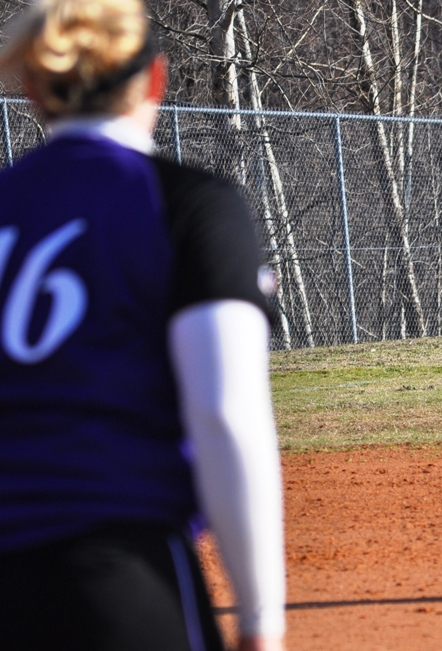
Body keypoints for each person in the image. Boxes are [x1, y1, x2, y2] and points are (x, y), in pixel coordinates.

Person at [0, 1, 286, 649]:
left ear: (34, 90)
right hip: (115, 574)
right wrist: (260, 616)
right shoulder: (187, 204)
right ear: (156, 80)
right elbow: (224, 414)